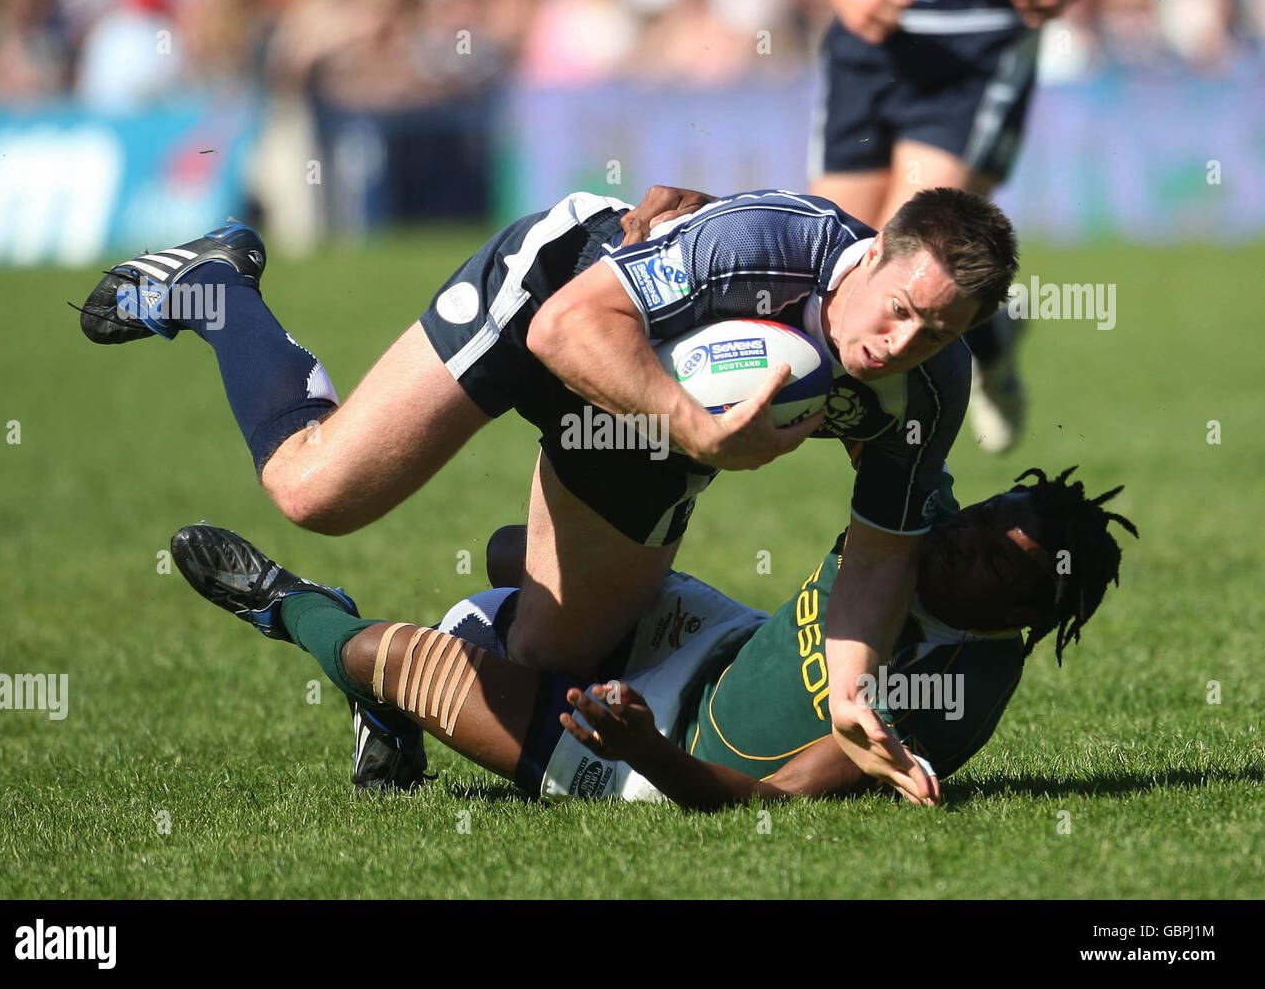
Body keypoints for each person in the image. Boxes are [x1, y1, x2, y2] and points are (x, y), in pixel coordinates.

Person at [74, 184, 1017, 802]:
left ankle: (395, 669)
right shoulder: (772, 248)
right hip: (554, 299)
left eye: (937, 332)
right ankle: (213, 287)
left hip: (649, 424)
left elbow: (883, 551)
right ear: (876, 251)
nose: (901, 343)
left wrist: (851, 688)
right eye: (899, 308)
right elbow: (565, 331)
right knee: (314, 489)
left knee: (547, 654)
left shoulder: (930, 392)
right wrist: (699, 432)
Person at [168, 466, 1136, 809]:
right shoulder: (919, 506)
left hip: (661, 754)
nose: (957, 540)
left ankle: (289, 604)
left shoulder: (953, 695)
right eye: (977, 518)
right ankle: (389, 706)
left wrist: (644, 747)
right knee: (519, 557)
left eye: (989, 563)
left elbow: (768, 798)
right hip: (707, 630)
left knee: (410, 654)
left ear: (1026, 615)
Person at [803, 0, 1103, 454]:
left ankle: (908, 500)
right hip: (869, 34)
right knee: (840, 273)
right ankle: (991, 332)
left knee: (911, 264)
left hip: (980, 37)